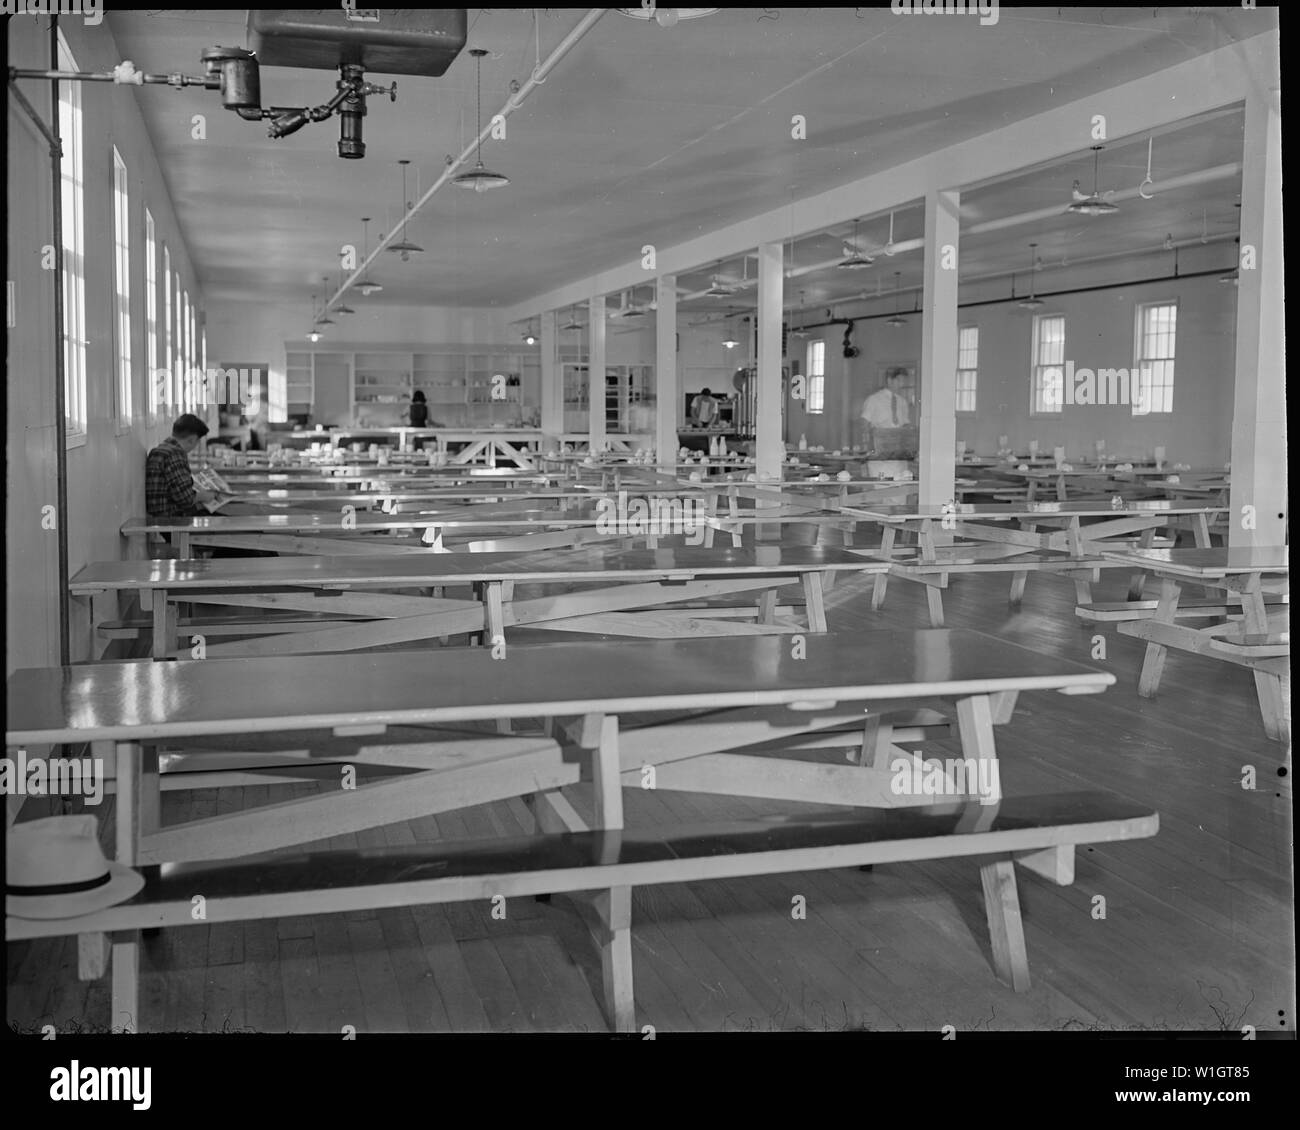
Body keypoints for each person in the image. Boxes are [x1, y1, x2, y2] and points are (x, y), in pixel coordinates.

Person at [146, 413, 215, 519]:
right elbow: (186, 500)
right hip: (173, 520)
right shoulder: (175, 454)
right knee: (226, 519)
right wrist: (203, 496)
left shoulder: (163, 449)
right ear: (192, 439)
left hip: (162, 516)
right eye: (197, 441)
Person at [860, 370, 912, 450]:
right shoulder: (873, 399)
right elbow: (864, 425)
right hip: (879, 449)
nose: (902, 384)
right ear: (889, 380)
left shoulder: (903, 402)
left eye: (903, 381)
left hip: (899, 450)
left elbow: (905, 424)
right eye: (899, 380)